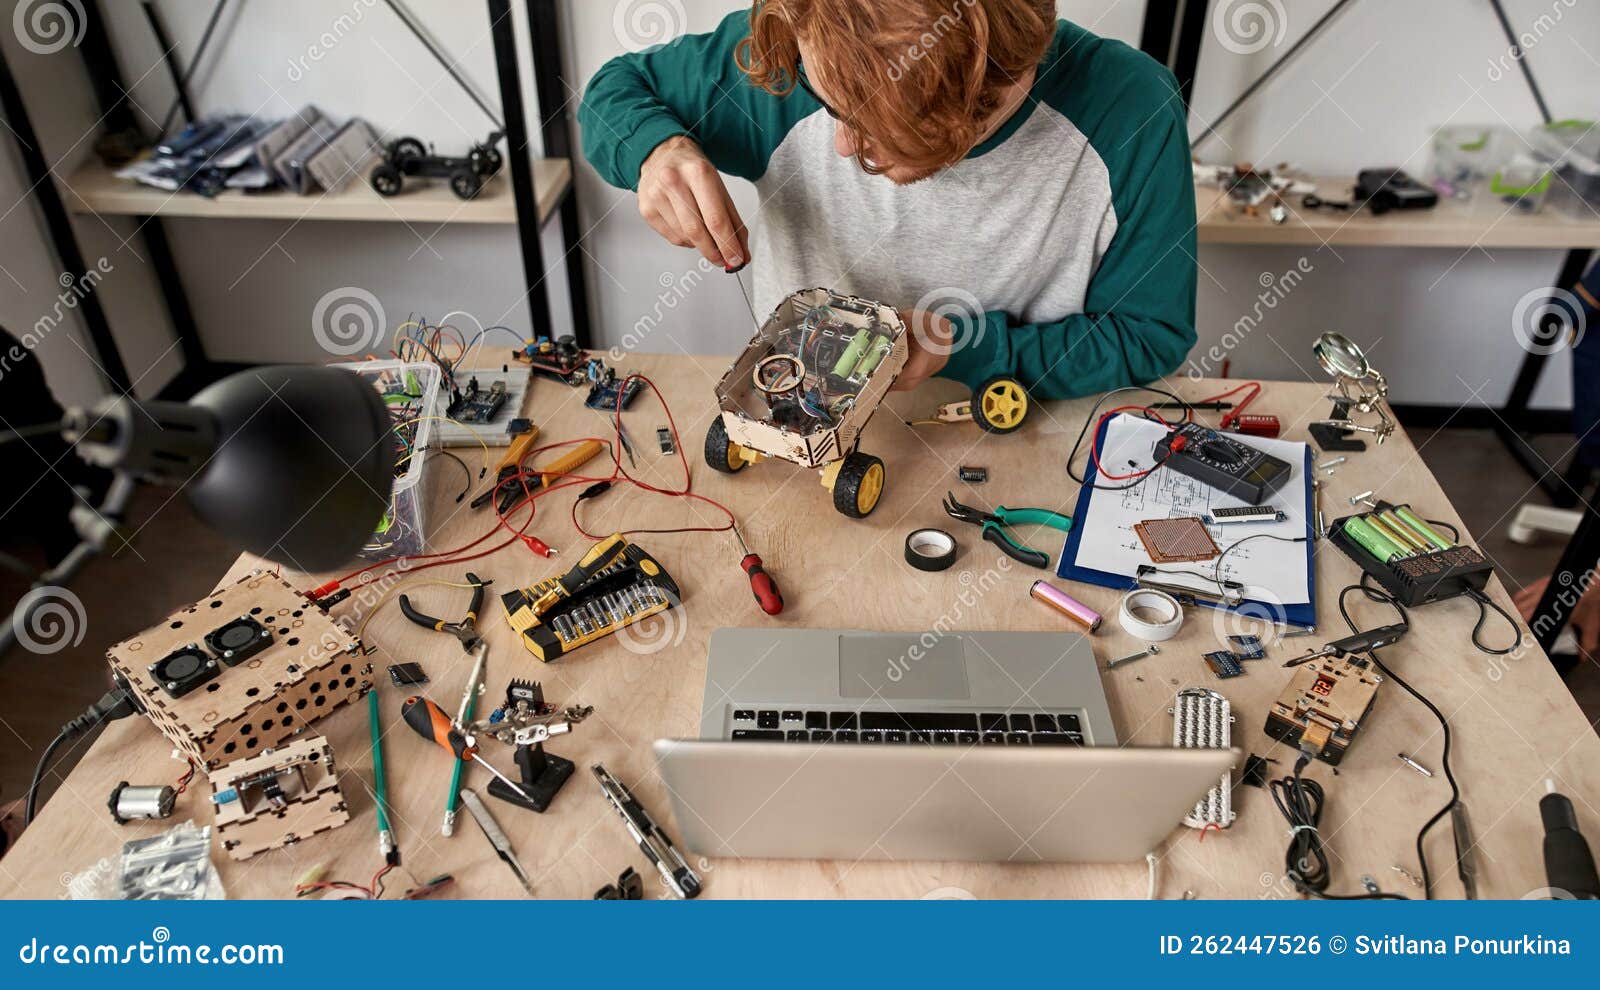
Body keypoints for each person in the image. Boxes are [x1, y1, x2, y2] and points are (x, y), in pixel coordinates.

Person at [579, 0, 1197, 398]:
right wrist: (655, 151)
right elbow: (615, 90)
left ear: (983, 94)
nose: (843, 146)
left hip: (1024, 436)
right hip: (801, 423)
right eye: (830, 107)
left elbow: (1150, 337)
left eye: (875, 124)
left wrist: (963, 345)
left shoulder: (1133, 112)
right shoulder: (802, 41)